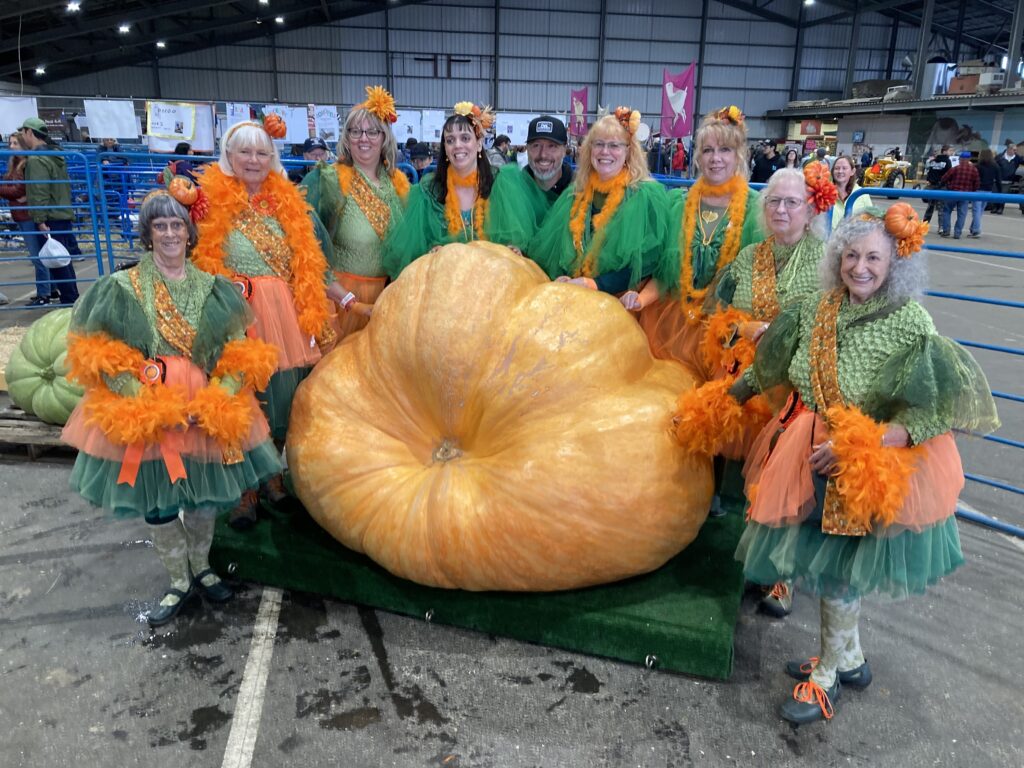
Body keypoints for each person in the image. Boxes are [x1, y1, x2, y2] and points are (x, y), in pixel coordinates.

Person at [679, 204, 998, 723]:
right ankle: (849, 658)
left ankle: (826, 674)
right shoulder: (816, 307)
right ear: (837, 259)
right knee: (829, 567)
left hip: (863, 465)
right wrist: (724, 398)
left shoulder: (912, 321)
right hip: (806, 452)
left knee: (836, 574)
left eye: (873, 256)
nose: (860, 267)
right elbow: (770, 369)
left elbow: (937, 412)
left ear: (896, 262)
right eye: (850, 255)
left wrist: (866, 442)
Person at [61, 191, 283, 627]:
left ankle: (202, 567)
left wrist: (220, 396)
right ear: (147, 234)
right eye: (159, 225)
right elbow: (95, 348)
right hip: (147, 408)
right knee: (158, 500)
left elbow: (240, 350)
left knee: (203, 496)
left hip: (201, 406)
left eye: (176, 225)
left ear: (189, 232)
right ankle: (178, 579)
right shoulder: (120, 287)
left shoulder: (214, 289)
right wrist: (137, 396)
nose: (168, 233)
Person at [690, 164, 837, 614]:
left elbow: (828, 325)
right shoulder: (750, 255)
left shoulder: (830, 260)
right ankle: (739, 544)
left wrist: (775, 331)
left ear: (811, 209)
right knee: (746, 472)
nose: (782, 209)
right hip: (745, 378)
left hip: (797, 386)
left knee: (785, 478)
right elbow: (718, 315)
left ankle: (782, 574)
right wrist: (743, 330)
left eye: (792, 202)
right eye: (774, 201)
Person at [192, 120, 344, 528]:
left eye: (262, 153)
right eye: (244, 152)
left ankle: (272, 476)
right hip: (237, 316)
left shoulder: (289, 202)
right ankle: (245, 491)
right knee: (244, 399)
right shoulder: (207, 204)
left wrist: (343, 298)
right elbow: (194, 263)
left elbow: (312, 262)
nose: (254, 160)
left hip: (286, 317)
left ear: (272, 158)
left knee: (281, 398)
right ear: (229, 156)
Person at [637, 106, 763, 384]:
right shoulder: (678, 205)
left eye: (725, 150)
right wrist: (640, 300)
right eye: (707, 151)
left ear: (739, 156)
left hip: (726, 331)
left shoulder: (757, 210)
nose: (715, 159)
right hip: (671, 323)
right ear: (698, 157)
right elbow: (665, 273)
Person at [302, 85, 410, 344]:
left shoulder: (398, 184)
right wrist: (346, 299)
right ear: (346, 137)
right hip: (338, 302)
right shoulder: (327, 180)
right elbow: (304, 250)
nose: (364, 138)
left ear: (384, 137)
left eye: (372, 131)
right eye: (356, 131)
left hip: (385, 301)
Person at [528, 108, 669, 305]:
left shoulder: (644, 195)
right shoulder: (575, 195)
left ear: (628, 151)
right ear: (589, 149)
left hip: (624, 306)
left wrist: (595, 284)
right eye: (599, 144)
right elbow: (558, 251)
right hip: (578, 301)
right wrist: (564, 277)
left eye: (614, 145)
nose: (605, 152)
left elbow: (647, 264)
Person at [382, 101, 534, 279]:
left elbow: (515, 239)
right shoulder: (428, 191)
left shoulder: (500, 183)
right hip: (445, 286)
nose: (457, 145)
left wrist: (513, 249)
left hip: (491, 285)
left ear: (479, 144)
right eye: (450, 140)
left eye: (465, 138)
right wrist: (429, 254)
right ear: (445, 148)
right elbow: (413, 250)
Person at [18, 117, 80, 306]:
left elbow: (39, 190)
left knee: (56, 261)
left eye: (22, 132)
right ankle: (71, 298)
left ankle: (69, 300)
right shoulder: (55, 156)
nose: (22, 136)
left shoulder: (37, 159)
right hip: (61, 213)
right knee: (62, 259)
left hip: (50, 216)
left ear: (30, 132)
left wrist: (40, 219)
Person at [1, 133, 55, 305]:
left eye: (16, 143)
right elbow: (16, 191)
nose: (12, 146)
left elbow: (19, 190)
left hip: (27, 214)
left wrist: (6, 190)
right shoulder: (15, 164)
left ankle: (44, 294)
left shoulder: (27, 165)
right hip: (21, 213)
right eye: (11, 143)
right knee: (39, 254)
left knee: (37, 255)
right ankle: (49, 290)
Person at [499, 115, 573, 230]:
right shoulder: (514, 190)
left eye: (552, 146)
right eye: (536, 146)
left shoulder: (579, 191)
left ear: (564, 151)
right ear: (527, 148)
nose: (543, 154)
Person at [938, 151, 979, 239]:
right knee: (962, 214)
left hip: (953, 193)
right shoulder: (974, 170)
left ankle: (946, 231)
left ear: (960, 159)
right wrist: (972, 191)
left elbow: (944, 178)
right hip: (966, 195)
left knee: (947, 211)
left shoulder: (955, 168)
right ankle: (957, 233)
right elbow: (977, 184)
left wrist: (947, 185)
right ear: (969, 159)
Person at [828, 155, 872, 233]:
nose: (840, 171)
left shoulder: (862, 194)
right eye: (837, 168)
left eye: (844, 168)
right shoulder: (825, 192)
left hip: (853, 242)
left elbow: (871, 220)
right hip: (827, 242)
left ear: (852, 171)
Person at [971, 148, 1000, 238]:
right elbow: (998, 180)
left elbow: (973, 179)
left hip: (978, 190)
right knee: (980, 211)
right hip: (988, 190)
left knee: (976, 210)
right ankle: (973, 228)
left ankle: (976, 230)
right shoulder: (995, 166)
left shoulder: (977, 166)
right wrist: (1000, 191)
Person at [921, 145, 952, 230]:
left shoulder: (933, 161)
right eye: (950, 151)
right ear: (944, 151)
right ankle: (941, 227)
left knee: (930, 206)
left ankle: (924, 225)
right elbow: (949, 174)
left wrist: (930, 181)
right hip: (942, 186)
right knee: (941, 207)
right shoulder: (947, 161)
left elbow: (930, 173)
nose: (951, 153)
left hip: (932, 185)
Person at [992, 139, 1020, 215]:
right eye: (1014, 150)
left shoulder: (1017, 158)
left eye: (1016, 150)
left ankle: (1001, 208)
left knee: (1003, 194)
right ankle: (995, 207)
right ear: (1009, 149)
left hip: (1008, 180)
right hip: (997, 179)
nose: (1015, 152)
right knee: (996, 194)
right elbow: (993, 166)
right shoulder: (999, 157)